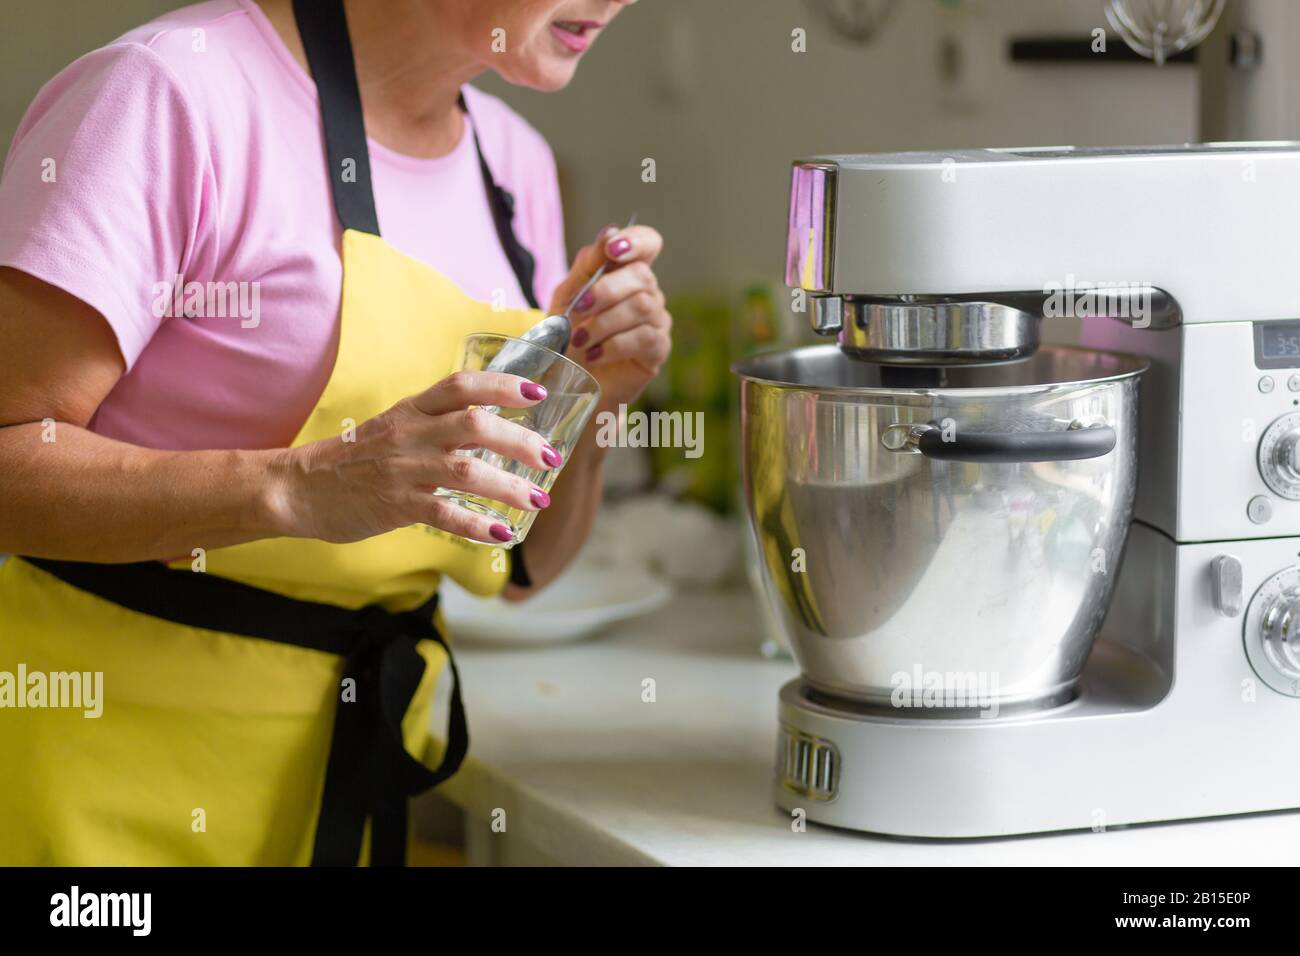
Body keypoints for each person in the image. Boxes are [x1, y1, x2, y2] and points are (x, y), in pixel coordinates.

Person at [0, 0, 670, 865]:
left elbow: (521, 568)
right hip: (96, 791)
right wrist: (299, 485)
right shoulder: (171, 93)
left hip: (345, 790)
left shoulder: (515, 164)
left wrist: (599, 394)